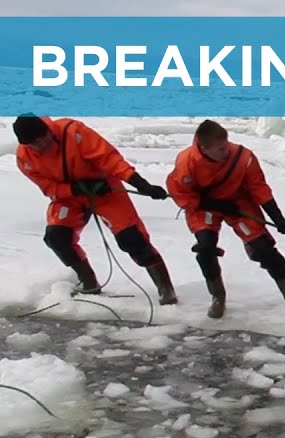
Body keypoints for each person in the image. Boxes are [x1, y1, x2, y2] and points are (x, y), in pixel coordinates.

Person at [13, 114, 178, 304]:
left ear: (48, 130)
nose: (41, 144)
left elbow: (111, 160)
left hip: (106, 191)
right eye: (34, 143)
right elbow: (48, 187)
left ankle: (166, 289)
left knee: (132, 237)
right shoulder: (24, 158)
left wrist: (141, 184)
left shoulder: (74, 133)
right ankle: (89, 282)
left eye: (43, 137)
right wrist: (75, 189)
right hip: (70, 197)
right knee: (57, 237)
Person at [166, 119, 285, 319]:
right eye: (220, 149)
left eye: (226, 145)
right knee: (206, 248)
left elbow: (259, 188)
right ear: (204, 148)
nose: (226, 151)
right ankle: (218, 296)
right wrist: (215, 204)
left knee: (265, 250)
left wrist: (278, 218)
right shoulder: (186, 161)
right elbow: (181, 193)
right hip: (205, 205)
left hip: (238, 203)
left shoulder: (243, 157)